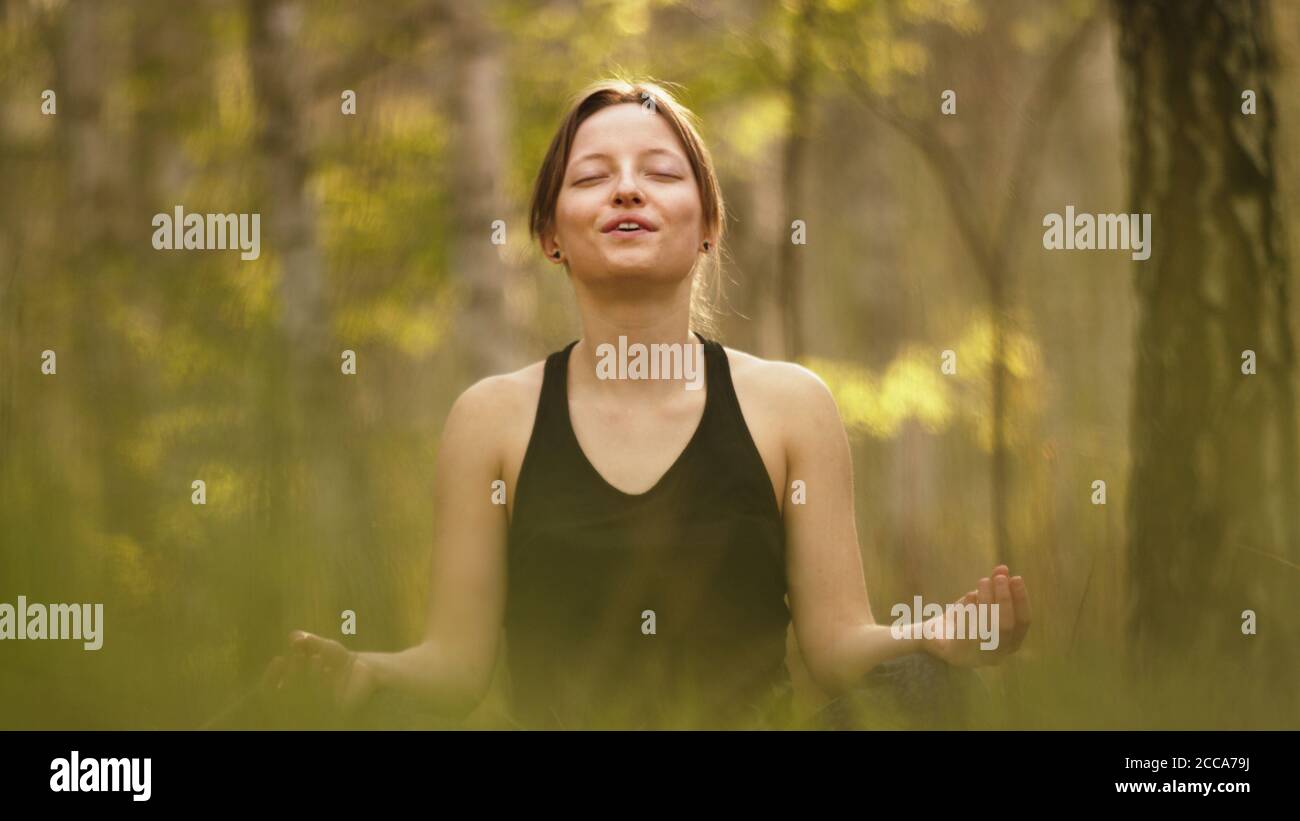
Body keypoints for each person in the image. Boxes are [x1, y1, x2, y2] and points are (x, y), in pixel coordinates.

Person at [267, 77, 1031, 730]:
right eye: (593, 176)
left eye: (660, 173)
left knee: (929, 690)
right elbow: (455, 665)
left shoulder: (791, 406)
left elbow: (837, 649)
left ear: (706, 225)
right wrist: (361, 669)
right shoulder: (491, 418)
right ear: (549, 233)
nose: (627, 188)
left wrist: (938, 634)